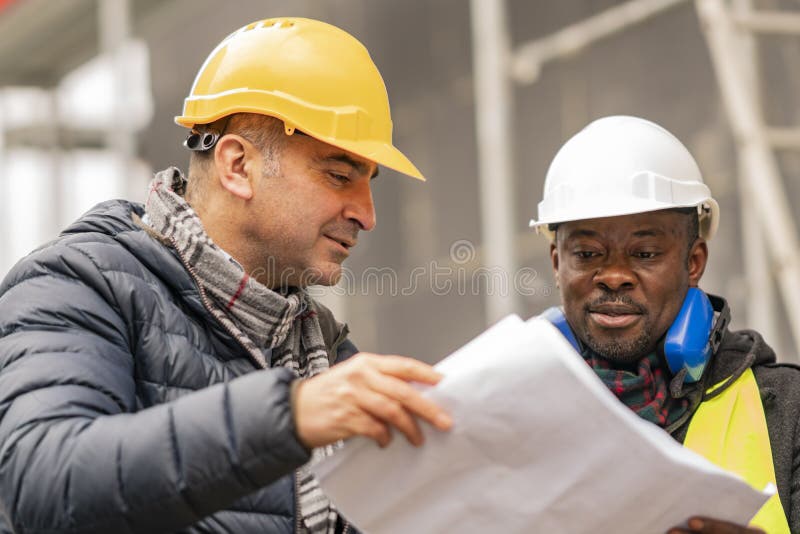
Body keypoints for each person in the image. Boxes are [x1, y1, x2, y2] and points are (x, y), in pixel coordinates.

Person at [0, 17, 451, 534]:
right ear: (237, 166)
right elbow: (41, 484)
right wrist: (289, 416)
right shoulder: (75, 286)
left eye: (369, 182)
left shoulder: (315, 342)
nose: (367, 214)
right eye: (339, 174)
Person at [531, 115, 799, 533]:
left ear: (694, 263)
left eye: (645, 253)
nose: (613, 275)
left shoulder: (787, 413)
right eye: (586, 254)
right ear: (557, 265)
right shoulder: (506, 418)